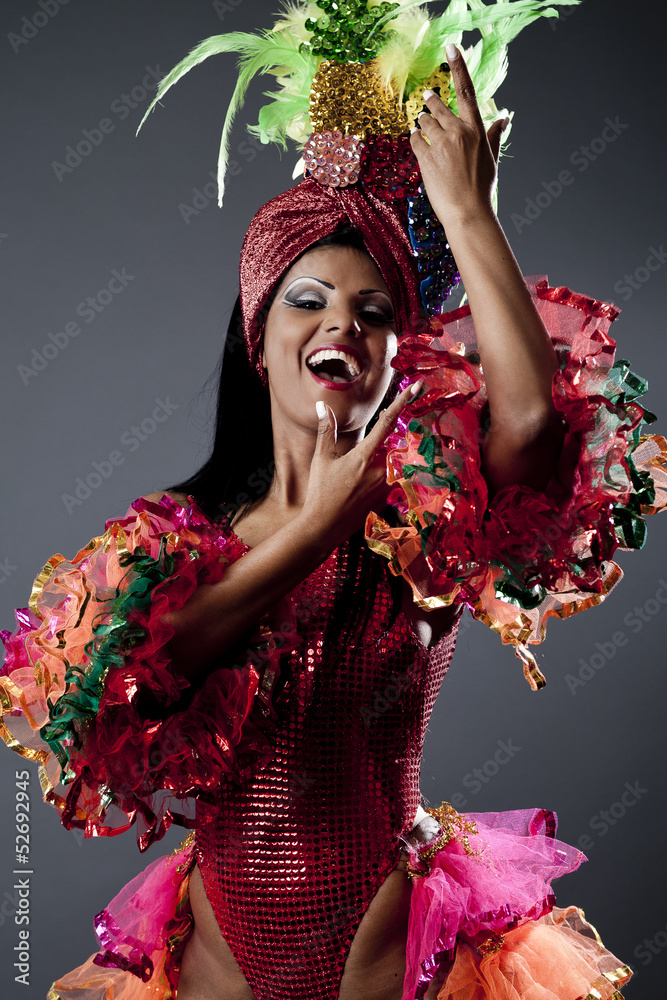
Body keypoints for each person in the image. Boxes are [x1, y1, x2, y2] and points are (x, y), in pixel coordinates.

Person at [2, 4, 663, 999]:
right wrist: (316, 520)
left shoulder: (424, 515)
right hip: (213, 937)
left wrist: (469, 212)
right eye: (306, 300)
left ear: (406, 349)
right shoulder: (182, 540)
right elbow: (142, 678)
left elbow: (529, 431)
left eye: (374, 310)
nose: (340, 325)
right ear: (259, 339)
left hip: (392, 930)